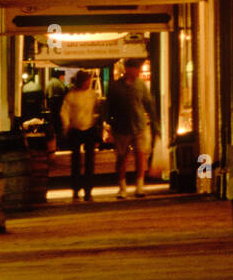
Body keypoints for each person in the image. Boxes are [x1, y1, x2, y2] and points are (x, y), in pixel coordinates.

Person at [106, 58, 160, 199]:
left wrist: (155, 123)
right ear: (127, 69)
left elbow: (149, 104)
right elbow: (108, 106)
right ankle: (122, 188)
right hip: (121, 127)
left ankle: (139, 187)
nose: (137, 72)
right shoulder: (115, 86)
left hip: (139, 126)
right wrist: (108, 124)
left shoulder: (141, 85)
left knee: (140, 155)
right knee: (122, 157)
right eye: (135, 68)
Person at [60, 70, 100, 202]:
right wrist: (67, 125)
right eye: (86, 81)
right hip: (76, 129)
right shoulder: (71, 96)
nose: (88, 83)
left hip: (89, 128)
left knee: (89, 161)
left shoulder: (92, 95)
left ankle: (88, 190)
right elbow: (64, 112)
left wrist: (96, 124)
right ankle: (76, 189)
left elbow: (96, 111)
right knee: (76, 161)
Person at [45, 68, 67, 147]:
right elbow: (64, 93)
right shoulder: (60, 83)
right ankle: (60, 142)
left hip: (51, 105)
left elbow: (46, 94)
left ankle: (53, 139)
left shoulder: (49, 83)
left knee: (53, 123)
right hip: (59, 105)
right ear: (60, 76)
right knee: (59, 124)